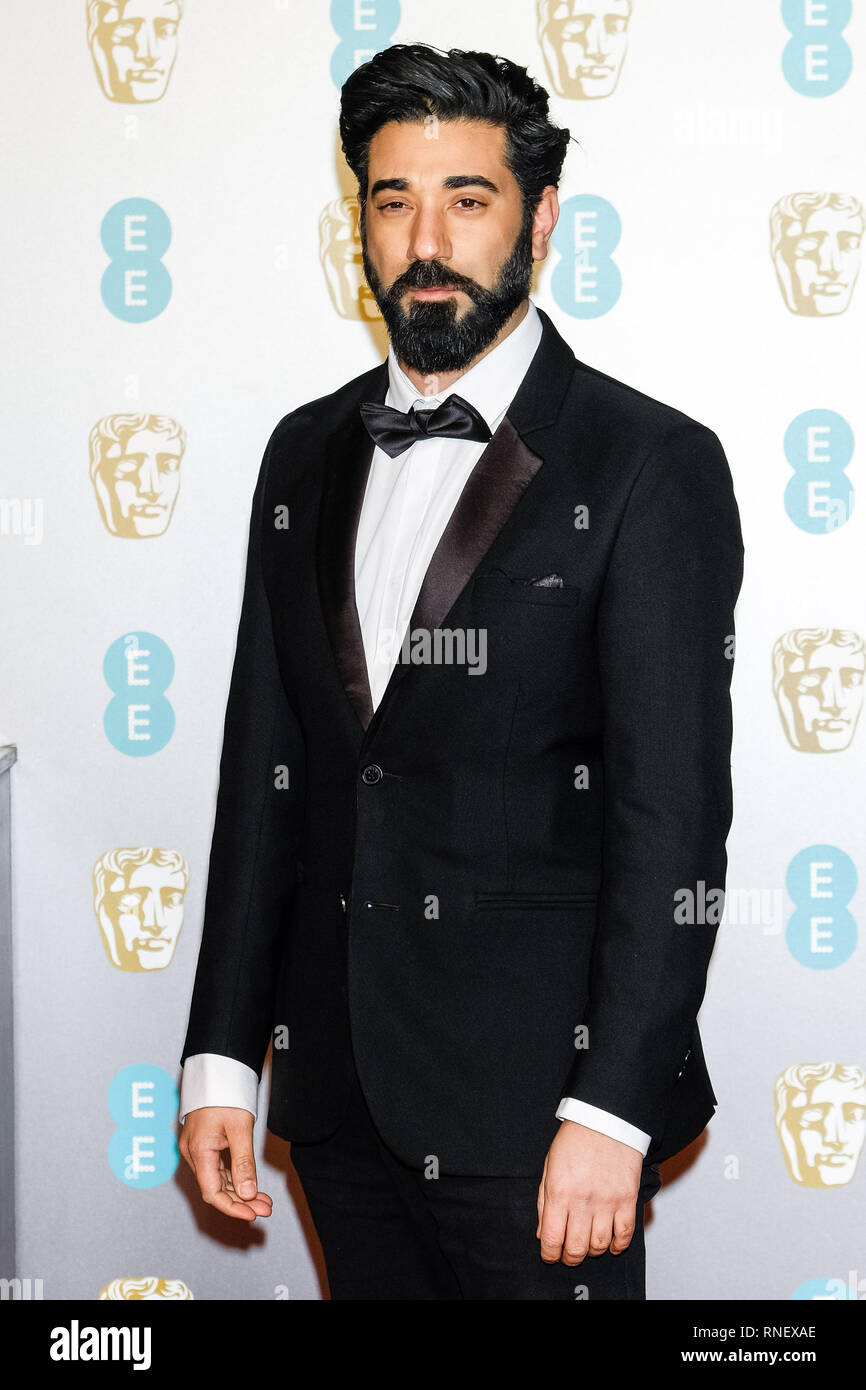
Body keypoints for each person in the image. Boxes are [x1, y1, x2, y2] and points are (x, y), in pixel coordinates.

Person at [178, 42, 744, 1300]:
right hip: (335, 1101)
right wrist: (221, 1054)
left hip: (542, 1119)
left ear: (539, 218)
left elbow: (673, 823)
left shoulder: (648, 464)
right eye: (392, 201)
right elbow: (260, 769)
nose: (424, 238)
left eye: (467, 199)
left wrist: (610, 1108)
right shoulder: (303, 450)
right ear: (360, 225)